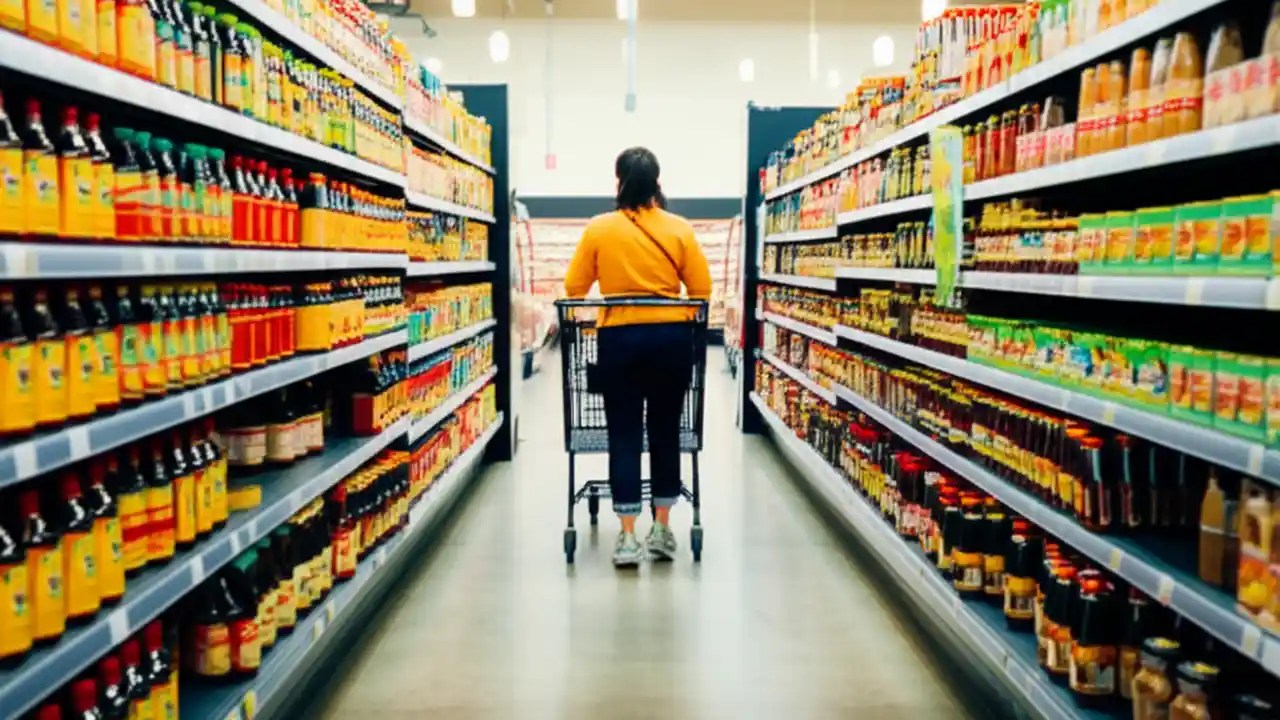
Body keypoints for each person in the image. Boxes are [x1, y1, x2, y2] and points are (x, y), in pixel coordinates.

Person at [563, 147, 712, 566]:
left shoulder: (599, 229)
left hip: (620, 343)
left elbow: (574, 288)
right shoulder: (679, 229)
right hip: (671, 342)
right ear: (657, 183)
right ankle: (662, 530)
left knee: (624, 435)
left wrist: (592, 316)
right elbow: (701, 291)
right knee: (665, 431)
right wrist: (676, 314)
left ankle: (626, 538)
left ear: (619, 181)